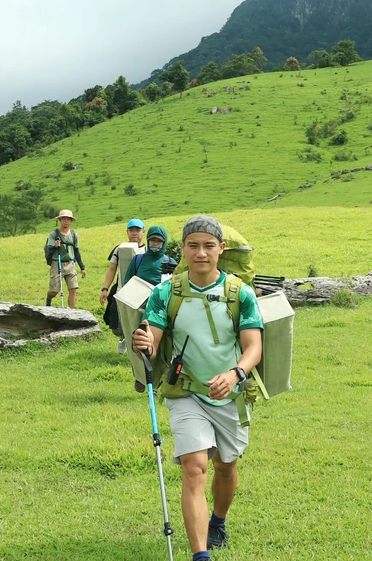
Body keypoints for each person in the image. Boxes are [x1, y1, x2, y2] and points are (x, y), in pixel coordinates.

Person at [131, 215, 263, 560]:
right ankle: (199, 554)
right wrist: (145, 340)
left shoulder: (240, 294)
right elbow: (154, 340)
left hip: (230, 395)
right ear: (184, 250)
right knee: (194, 467)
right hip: (185, 392)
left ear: (221, 249)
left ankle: (217, 520)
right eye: (193, 246)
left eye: (208, 246)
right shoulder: (166, 292)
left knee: (225, 466)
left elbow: (253, 347)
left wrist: (235, 374)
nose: (200, 253)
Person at [100, 219, 146, 353]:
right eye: (131, 230)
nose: (134, 233)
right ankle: (124, 338)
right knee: (114, 325)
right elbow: (112, 269)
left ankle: (133, 344)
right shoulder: (119, 248)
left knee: (137, 321)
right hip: (120, 291)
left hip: (139, 292)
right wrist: (105, 288)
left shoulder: (147, 250)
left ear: (143, 232)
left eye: (137, 231)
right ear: (127, 232)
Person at [44, 209, 86, 308]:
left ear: (71, 221)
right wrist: (55, 246)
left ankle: (71, 312)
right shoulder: (54, 234)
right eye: (64, 219)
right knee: (54, 291)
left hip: (70, 264)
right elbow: (48, 248)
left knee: (73, 289)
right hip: (57, 263)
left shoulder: (74, 235)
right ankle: (49, 298)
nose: (66, 221)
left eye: (68, 219)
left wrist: (82, 267)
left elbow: (76, 251)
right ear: (60, 220)